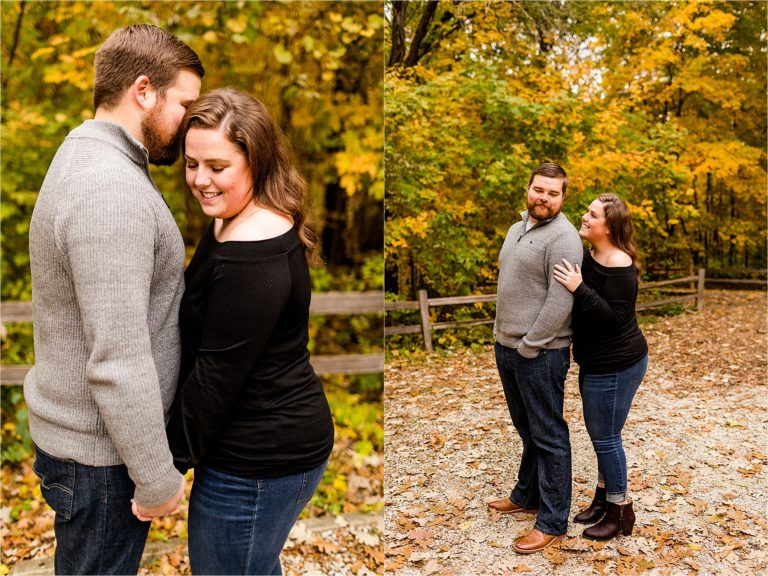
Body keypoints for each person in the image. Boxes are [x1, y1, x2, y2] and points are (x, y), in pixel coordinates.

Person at [25, 25, 204, 574]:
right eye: (184, 105)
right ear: (144, 91)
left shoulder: (89, 157)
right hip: (104, 464)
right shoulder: (109, 189)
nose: (189, 123)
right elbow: (117, 359)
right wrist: (155, 478)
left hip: (92, 453)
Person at [163, 87, 335, 575]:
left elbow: (215, 378)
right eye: (192, 164)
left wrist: (167, 467)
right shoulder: (232, 219)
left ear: (255, 161)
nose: (201, 180)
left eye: (217, 167)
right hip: (244, 448)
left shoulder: (252, 255)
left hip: (259, 461)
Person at [487, 163, 583, 554]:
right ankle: (527, 495)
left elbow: (561, 301)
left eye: (553, 193)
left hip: (540, 353)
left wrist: (530, 345)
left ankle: (552, 521)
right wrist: (503, 338)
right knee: (527, 429)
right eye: (538, 189)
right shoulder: (516, 228)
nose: (544, 198)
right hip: (506, 347)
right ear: (528, 188)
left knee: (549, 435)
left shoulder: (564, 238)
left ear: (563, 197)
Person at [553, 193, 648, 541]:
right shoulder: (590, 254)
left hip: (618, 364)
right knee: (603, 436)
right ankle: (602, 499)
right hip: (595, 362)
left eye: (593, 215)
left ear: (609, 227)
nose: (585, 216)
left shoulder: (620, 264)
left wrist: (579, 288)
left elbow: (613, 319)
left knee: (606, 438)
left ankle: (620, 510)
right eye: (587, 211)